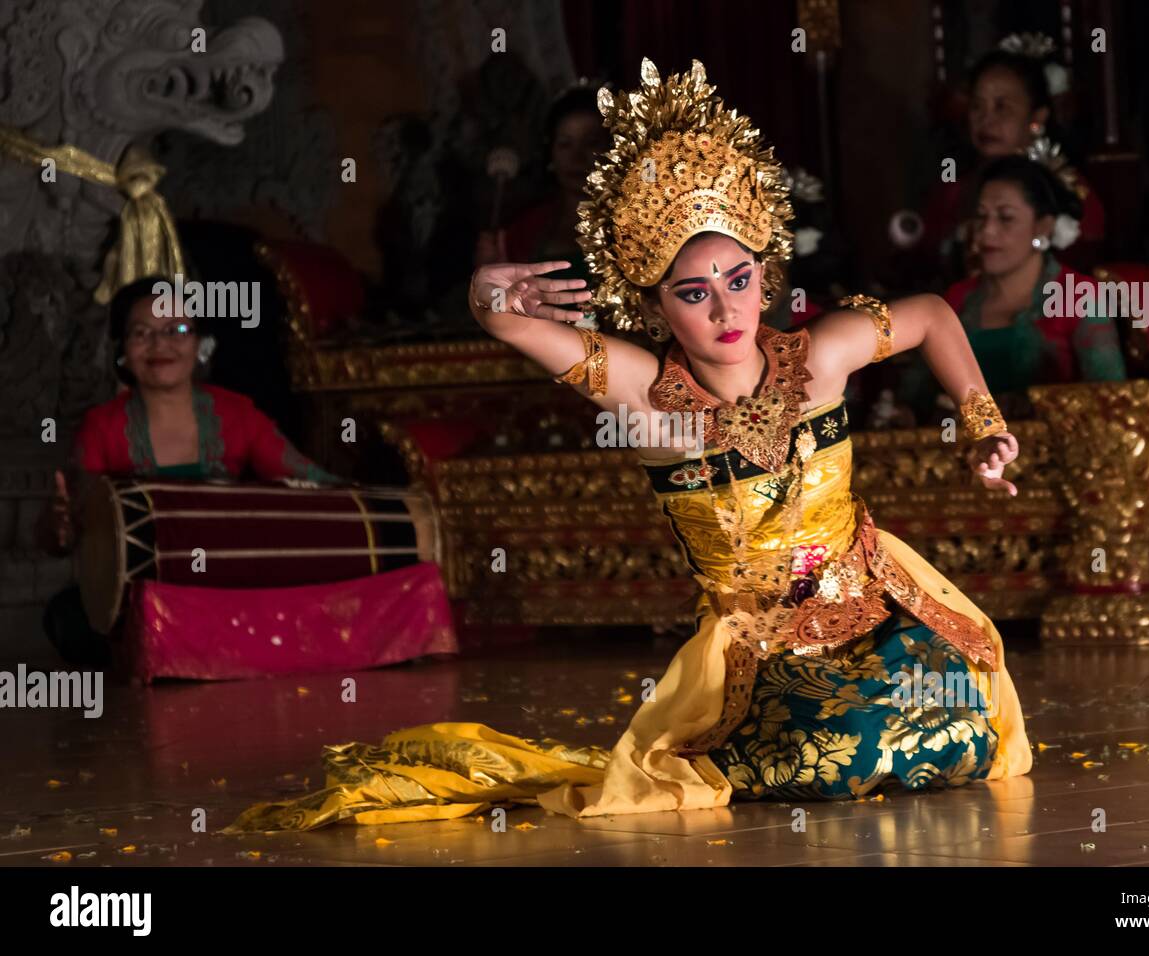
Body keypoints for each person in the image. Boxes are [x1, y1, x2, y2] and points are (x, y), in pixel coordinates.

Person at [227, 59, 1032, 832]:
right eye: (694, 292)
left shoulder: (816, 360)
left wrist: (984, 421)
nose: (726, 309)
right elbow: (506, 320)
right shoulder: (646, 396)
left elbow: (928, 312)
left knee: (972, 708)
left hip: (874, 611)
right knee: (845, 752)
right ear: (656, 307)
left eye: (740, 279)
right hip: (757, 648)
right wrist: (490, 295)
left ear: (766, 272)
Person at [37, 276, 339, 666]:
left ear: (200, 344)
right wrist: (58, 527)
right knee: (67, 616)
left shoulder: (237, 414)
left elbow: (309, 481)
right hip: (146, 600)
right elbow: (66, 527)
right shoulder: (102, 426)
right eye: (142, 333)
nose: (160, 345)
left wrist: (359, 499)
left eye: (176, 330)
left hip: (229, 589)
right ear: (122, 351)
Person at [900, 155, 1126, 423]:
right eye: (981, 217)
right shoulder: (958, 298)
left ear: (1043, 226)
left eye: (1006, 218)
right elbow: (915, 394)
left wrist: (1030, 406)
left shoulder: (1078, 296)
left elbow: (1111, 400)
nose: (987, 232)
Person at [895, 40, 1106, 287]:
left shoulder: (1068, 190)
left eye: (1002, 108)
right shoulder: (954, 189)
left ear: (1037, 117)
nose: (986, 120)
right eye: (977, 107)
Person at [474, 83, 609, 287]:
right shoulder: (521, 231)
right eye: (565, 144)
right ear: (550, 153)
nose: (577, 157)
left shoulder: (641, 222)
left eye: (591, 143)